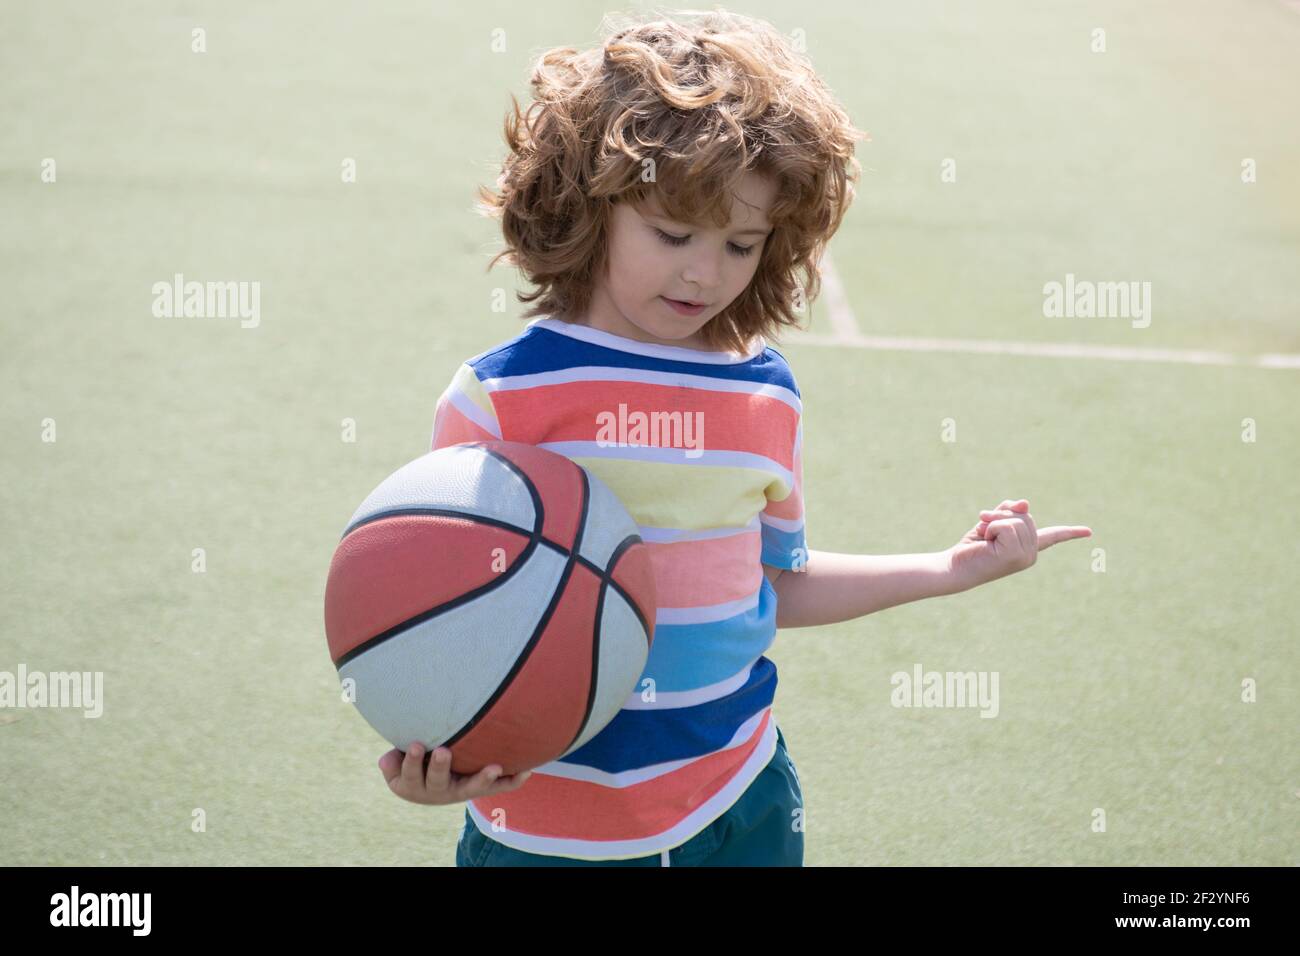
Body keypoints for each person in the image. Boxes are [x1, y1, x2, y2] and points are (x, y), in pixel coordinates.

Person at [376, 9, 1091, 866]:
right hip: (549, 835)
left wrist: (951, 568)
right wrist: (430, 749)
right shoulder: (500, 399)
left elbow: (772, 585)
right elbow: (437, 617)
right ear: (587, 202)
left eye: (741, 243)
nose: (703, 272)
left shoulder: (761, 393)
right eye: (672, 233)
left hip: (739, 800)